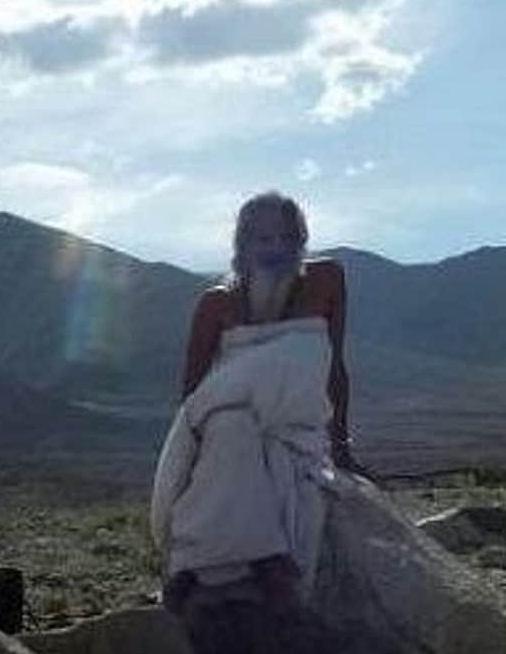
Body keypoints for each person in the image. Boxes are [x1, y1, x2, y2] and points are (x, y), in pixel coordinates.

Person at [149, 190, 359, 647]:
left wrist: (342, 446)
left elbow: (334, 368)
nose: (275, 249)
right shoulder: (216, 305)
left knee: (245, 443)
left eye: (286, 238)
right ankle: (271, 569)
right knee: (232, 429)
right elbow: (194, 397)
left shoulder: (326, 281)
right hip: (226, 430)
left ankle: (191, 574)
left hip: (298, 434)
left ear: (300, 242)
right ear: (242, 245)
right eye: (263, 238)